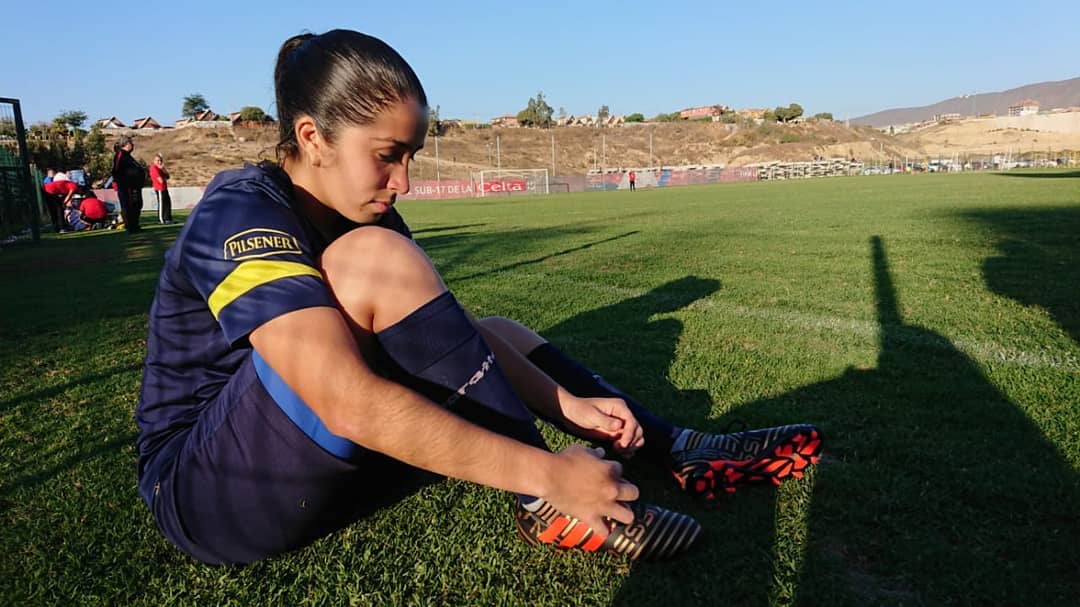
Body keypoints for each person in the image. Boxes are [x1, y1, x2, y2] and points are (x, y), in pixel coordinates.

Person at [135, 29, 823, 567]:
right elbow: (340, 396)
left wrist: (569, 406)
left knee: (492, 328)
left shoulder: (366, 212)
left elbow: (452, 338)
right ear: (312, 137)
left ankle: (677, 446)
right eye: (387, 154)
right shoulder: (240, 208)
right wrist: (546, 471)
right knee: (374, 264)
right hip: (206, 491)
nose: (402, 179)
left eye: (412, 155)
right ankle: (546, 503)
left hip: (301, 461)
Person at [112, 135, 145, 232]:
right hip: (127, 187)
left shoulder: (128, 156)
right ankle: (130, 226)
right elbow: (116, 171)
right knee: (128, 206)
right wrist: (125, 181)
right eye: (131, 143)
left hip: (134, 186)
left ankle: (135, 224)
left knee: (137, 205)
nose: (133, 145)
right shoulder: (120, 155)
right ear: (126, 144)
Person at [149, 153, 173, 224]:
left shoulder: (160, 169)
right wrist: (164, 177)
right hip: (159, 188)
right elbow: (161, 180)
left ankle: (168, 218)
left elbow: (168, 176)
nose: (159, 162)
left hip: (164, 188)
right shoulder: (154, 168)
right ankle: (161, 219)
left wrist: (163, 169)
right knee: (162, 204)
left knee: (167, 203)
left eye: (160, 160)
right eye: (157, 160)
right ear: (154, 161)